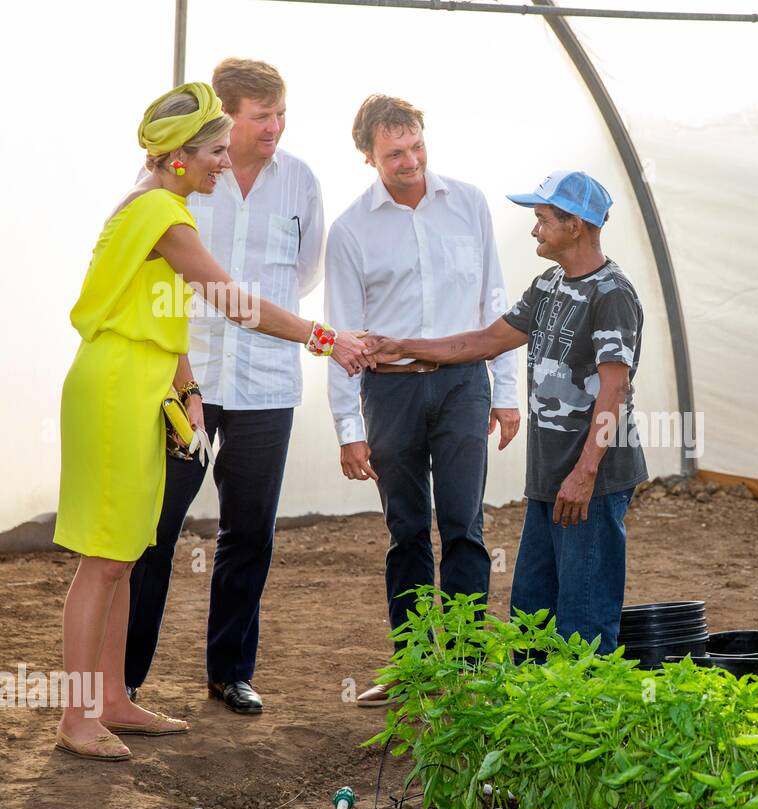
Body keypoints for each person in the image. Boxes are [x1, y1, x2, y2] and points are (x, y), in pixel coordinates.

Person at [52, 82, 369, 760]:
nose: (223, 164)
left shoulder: (163, 208)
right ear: (177, 160)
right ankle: (76, 718)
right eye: (214, 153)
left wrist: (188, 389)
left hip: (143, 388)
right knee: (105, 559)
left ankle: (112, 699)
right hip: (112, 391)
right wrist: (324, 338)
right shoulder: (161, 214)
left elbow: (164, 315)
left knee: (130, 551)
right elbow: (232, 301)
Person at [364, 170, 648, 657]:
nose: (535, 229)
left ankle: (582, 724)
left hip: (591, 482)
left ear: (575, 225)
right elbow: (483, 342)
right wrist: (402, 346)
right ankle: (533, 722)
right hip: (548, 478)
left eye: (542, 219)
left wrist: (584, 473)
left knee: (583, 619)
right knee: (531, 613)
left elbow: (615, 388)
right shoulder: (549, 285)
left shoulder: (611, 294)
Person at [125, 60, 328, 716]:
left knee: (250, 534)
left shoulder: (300, 181)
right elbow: (156, 277)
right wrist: (318, 337)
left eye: (281, 113)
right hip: (185, 382)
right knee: (155, 529)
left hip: (267, 385)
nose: (275, 126)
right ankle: (125, 680)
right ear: (227, 117)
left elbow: (302, 273)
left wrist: (289, 331)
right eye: (261, 115)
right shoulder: (175, 177)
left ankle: (228, 672)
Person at [324, 95, 520, 704]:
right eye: (394, 154)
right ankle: (411, 667)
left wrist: (506, 392)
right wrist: (347, 426)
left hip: (464, 382)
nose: (410, 162)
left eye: (416, 148)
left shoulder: (468, 204)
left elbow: (496, 303)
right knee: (406, 528)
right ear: (368, 157)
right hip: (390, 391)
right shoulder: (351, 230)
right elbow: (339, 333)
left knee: (464, 523)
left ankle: (464, 667)